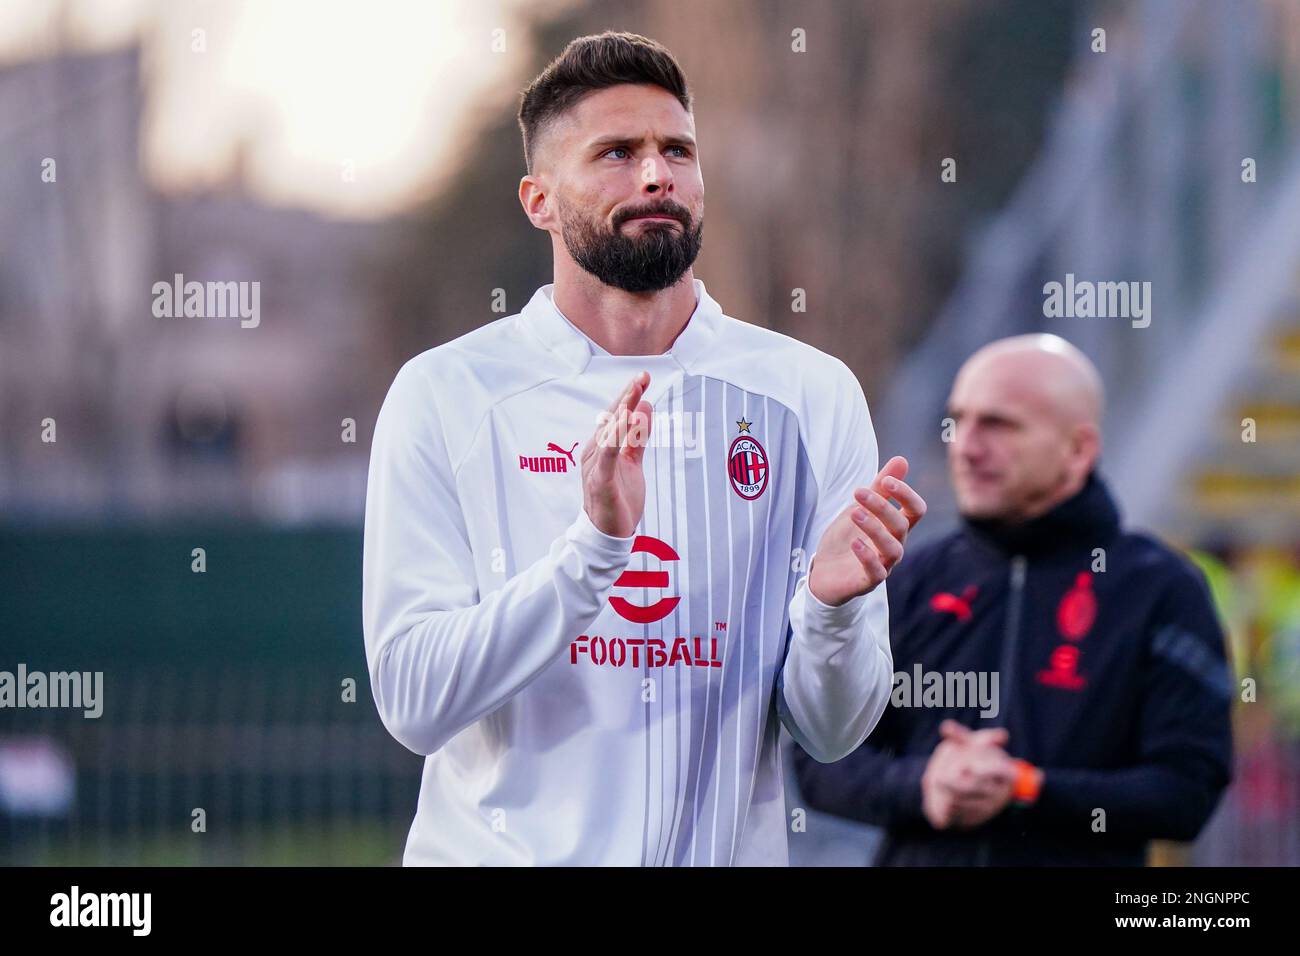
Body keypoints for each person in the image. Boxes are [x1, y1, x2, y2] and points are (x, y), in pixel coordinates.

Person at [361, 31, 926, 866]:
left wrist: (830, 609)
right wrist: (593, 553)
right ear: (538, 201)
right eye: (617, 153)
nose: (658, 174)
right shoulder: (448, 393)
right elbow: (414, 702)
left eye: (678, 151)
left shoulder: (808, 392)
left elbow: (835, 732)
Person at [792, 334, 1234, 865]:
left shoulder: (1160, 587)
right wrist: (925, 783)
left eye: (999, 425)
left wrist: (1028, 788)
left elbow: (1188, 793)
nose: (968, 446)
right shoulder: (910, 579)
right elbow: (818, 758)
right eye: (960, 420)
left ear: (1079, 449)